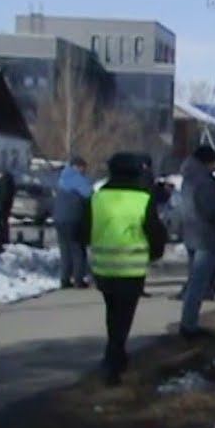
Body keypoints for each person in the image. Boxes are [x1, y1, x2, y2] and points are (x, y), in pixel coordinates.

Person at [80, 152, 168, 386]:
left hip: (103, 267)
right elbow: (154, 230)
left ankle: (116, 354)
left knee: (112, 312)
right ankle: (113, 360)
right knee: (125, 315)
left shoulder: (98, 198)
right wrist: (156, 252)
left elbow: (83, 228)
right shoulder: (142, 198)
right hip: (131, 268)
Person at [178, 145, 215, 338]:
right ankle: (189, 325)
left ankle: (189, 322)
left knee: (194, 281)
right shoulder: (205, 181)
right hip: (204, 235)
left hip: (190, 232)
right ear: (208, 161)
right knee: (198, 283)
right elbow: (210, 209)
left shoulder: (188, 178)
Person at [54, 157, 94, 289]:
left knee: (65, 250)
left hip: (59, 219)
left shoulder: (62, 177)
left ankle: (64, 279)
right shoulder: (77, 179)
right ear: (77, 166)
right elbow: (89, 194)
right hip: (73, 218)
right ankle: (78, 279)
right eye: (83, 167)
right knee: (78, 249)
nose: (84, 170)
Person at [0, 170, 17, 246]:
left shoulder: (4, 184)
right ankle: (3, 236)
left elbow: (1, 196)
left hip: (2, 206)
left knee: (2, 222)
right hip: (5, 206)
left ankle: (3, 237)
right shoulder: (8, 184)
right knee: (3, 222)